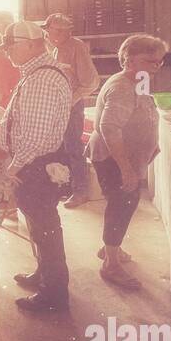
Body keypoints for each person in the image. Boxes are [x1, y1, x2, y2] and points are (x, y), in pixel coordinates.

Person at [0, 21, 72, 314]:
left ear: (32, 44)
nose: (9, 53)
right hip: (36, 164)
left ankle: (54, 294)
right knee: (40, 227)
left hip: (35, 165)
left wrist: (13, 167)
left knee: (46, 228)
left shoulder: (41, 79)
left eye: (12, 47)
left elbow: (36, 137)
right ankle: (44, 275)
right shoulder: (35, 74)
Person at [87, 34, 167, 291]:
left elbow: (143, 113)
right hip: (114, 159)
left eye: (160, 62)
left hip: (129, 159)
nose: (156, 66)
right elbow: (109, 128)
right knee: (120, 207)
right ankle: (110, 264)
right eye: (150, 61)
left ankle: (111, 247)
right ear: (129, 60)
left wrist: (151, 144)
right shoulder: (122, 86)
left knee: (125, 206)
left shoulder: (139, 81)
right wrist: (126, 169)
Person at [43, 13, 101, 209]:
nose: (55, 33)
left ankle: (81, 191)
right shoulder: (55, 49)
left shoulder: (76, 46)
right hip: (58, 104)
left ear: (69, 31)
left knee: (73, 148)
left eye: (61, 30)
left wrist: (71, 100)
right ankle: (67, 187)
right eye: (53, 30)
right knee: (60, 148)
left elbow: (91, 82)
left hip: (71, 105)